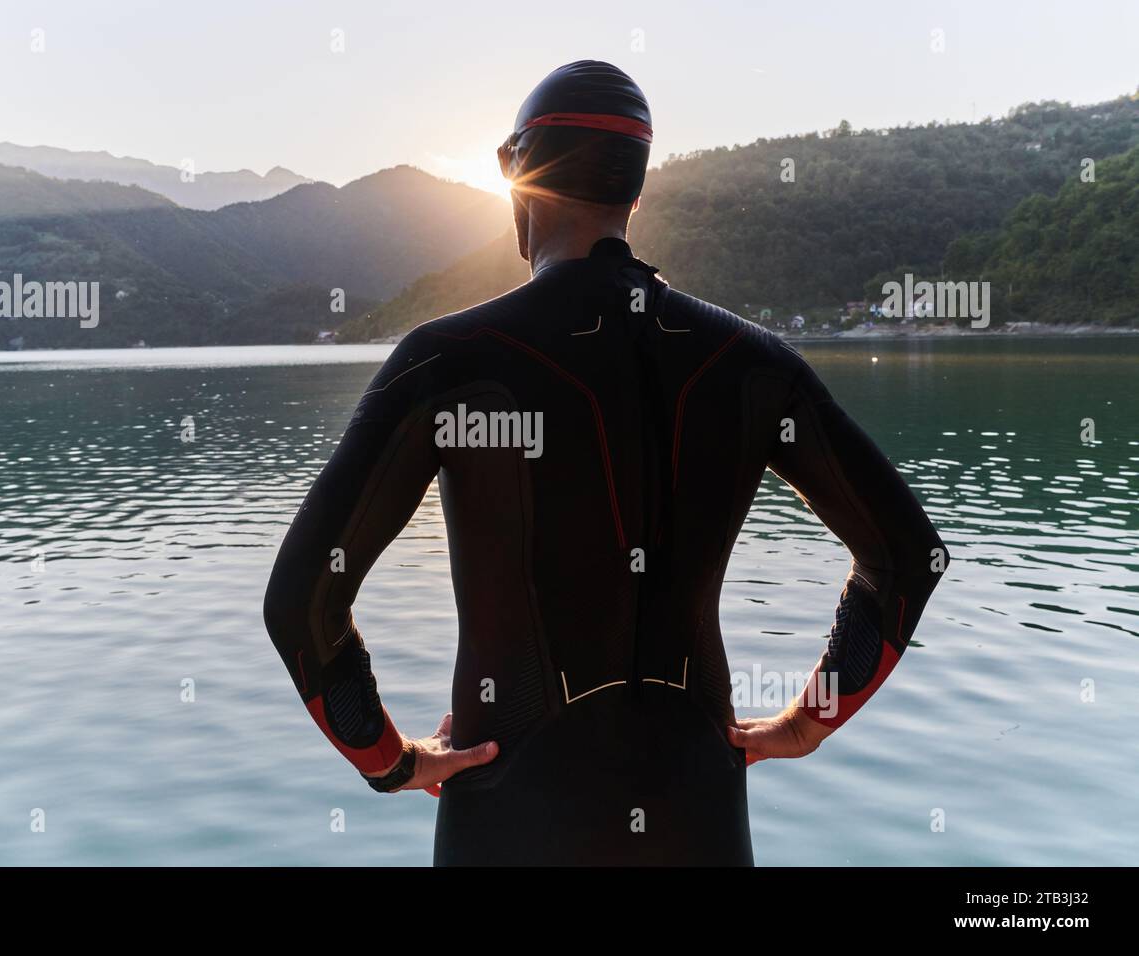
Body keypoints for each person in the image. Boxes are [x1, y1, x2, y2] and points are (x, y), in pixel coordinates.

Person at [263, 60, 948, 865]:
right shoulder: (753, 363)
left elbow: (302, 603)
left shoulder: (448, 363)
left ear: (519, 181)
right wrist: (809, 721)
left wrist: (393, 762)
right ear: (634, 190)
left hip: (510, 820)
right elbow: (907, 557)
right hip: (700, 810)